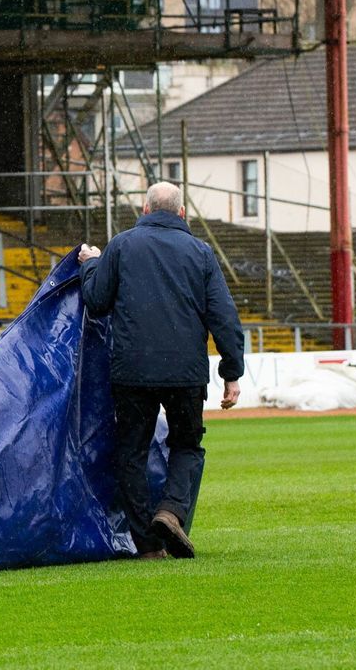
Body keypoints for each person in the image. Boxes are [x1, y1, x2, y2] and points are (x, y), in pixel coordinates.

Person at [77, 181, 246, 561]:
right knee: (186, 446)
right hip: (186, 372)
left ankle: (147, 545)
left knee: (131, 452)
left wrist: (91, 265)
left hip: (132, 371)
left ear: (146, 209)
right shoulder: (200, 253)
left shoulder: (121, 245)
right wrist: (231, 372)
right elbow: (224, 317)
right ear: (182, 213)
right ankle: (170, 512)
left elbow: (97, 301)